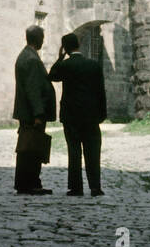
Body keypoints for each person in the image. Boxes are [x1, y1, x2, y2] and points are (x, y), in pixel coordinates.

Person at [48, 32, 107, 196]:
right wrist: (102, 114)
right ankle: (95, 187)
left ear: (65, 48)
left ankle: (76, 187)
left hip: (71, 116)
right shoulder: (93, 65)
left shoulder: (65, 66)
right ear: (79, 45)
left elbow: (51, 76)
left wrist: (60, 58)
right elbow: (101, 92)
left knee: (74, 152)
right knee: (93, 152)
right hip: (91, 116)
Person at [12, 25, 56, 195]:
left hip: (27, 112)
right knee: (31, 149)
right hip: (32, 114)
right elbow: (33, 89)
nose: (43, 42)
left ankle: (26, 182)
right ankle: (30, 183)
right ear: (37, 39)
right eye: (42, 38)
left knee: (26, 148)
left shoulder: (25, 56)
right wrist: (38, 113)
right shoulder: (31, 59)